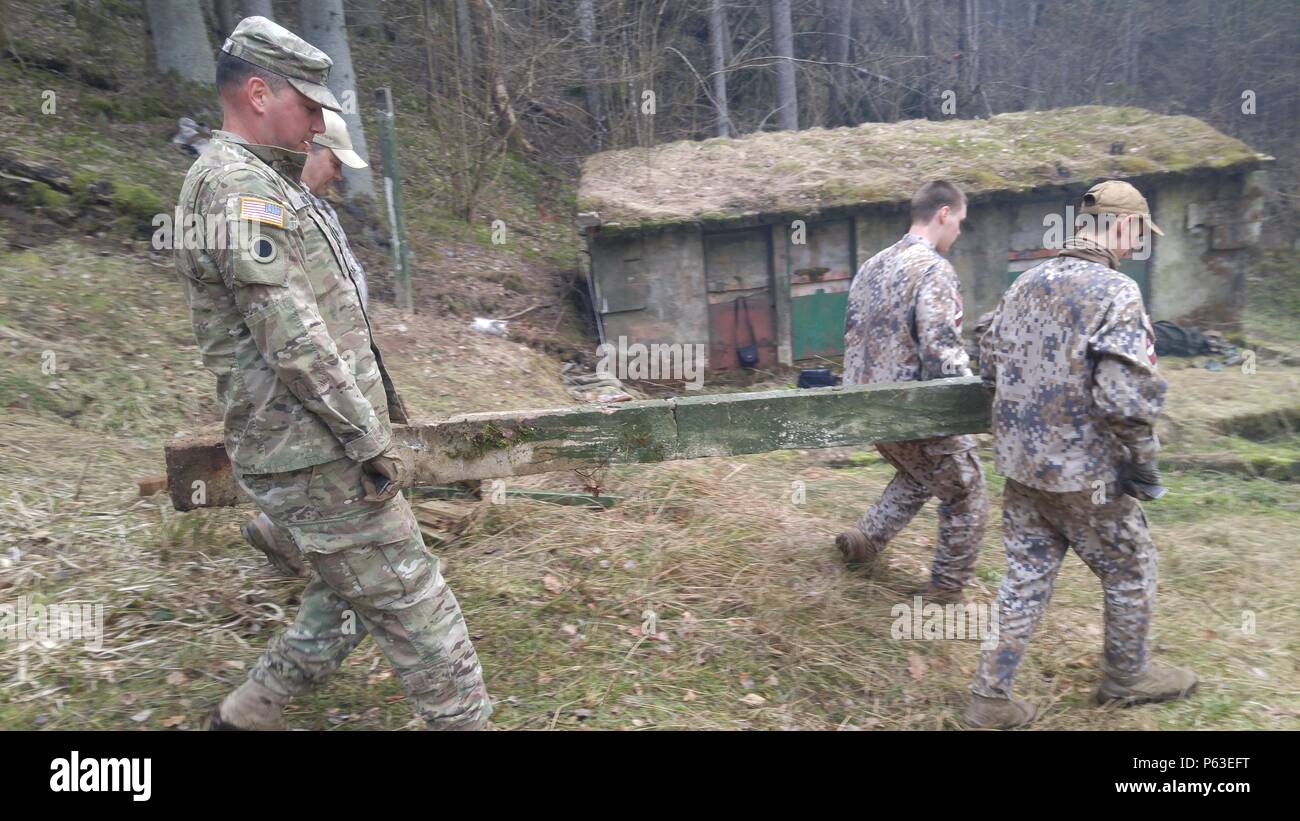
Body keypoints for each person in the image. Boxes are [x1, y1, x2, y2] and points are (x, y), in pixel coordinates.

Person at [172, 16, 490, 730]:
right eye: (309, 105)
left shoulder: (256, 184)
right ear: (258, 93)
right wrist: (368, 439)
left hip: (310, 446)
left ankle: (250, 710)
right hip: (318, 451)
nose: (318, 122)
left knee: (349, 598)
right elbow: (294, 340)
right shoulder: (235, 189)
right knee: (425, 615)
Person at [964, 180, 1197, 729]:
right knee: (1130, 565)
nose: (1140, 245)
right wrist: (1143, 460)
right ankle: (1126, 676)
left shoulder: (1024, 283)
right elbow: (1122, 398)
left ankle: (989, 697)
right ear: (1123, 226)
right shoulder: (1116, 292)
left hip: (1021, 467)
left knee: (1024, 574)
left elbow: (989, 363)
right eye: (1140, 232)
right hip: (1085, 473)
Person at [836, 180, 988, 604]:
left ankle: (865, 540)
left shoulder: (871, 266)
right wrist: (974, 400)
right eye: (959, 221)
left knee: (919, 474)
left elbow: (851, 337)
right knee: (967, 488)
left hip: (865, 408)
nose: (959, 231)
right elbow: (941, 351)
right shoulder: (933, 269)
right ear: (943, 213)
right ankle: (945, 591)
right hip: (913, 410)